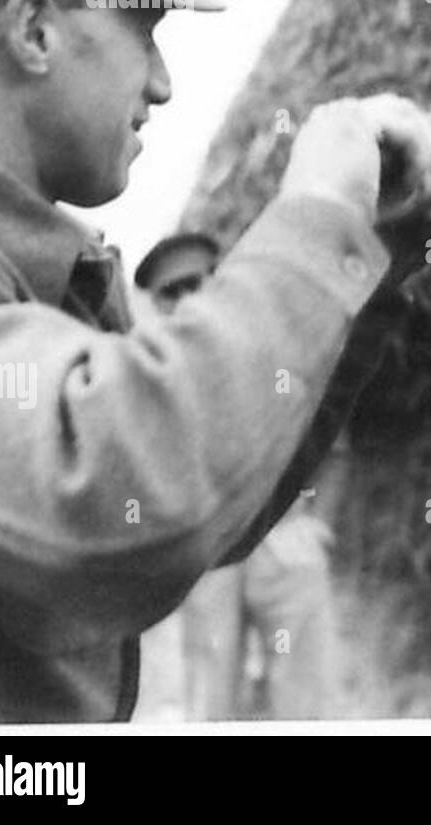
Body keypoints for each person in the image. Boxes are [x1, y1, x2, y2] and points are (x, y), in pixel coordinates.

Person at [0, 0, 431, 722]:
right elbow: (109, 488)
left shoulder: (36, 275)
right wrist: (312, 217)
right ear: (36, 32)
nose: (161, 83)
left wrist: (370, 260)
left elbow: (214, 511)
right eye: (142, 28)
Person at [133, 232, 341, 721]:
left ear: (221, 282)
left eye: (199, 283)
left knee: (305, 698)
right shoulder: (153, 371)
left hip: (286, 539)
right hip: (210, 553)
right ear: (158, 303)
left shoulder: (277, 344)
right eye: (173, 291)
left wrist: (319, 528)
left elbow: (336, 438)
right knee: (210, 697)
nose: (188, 298)